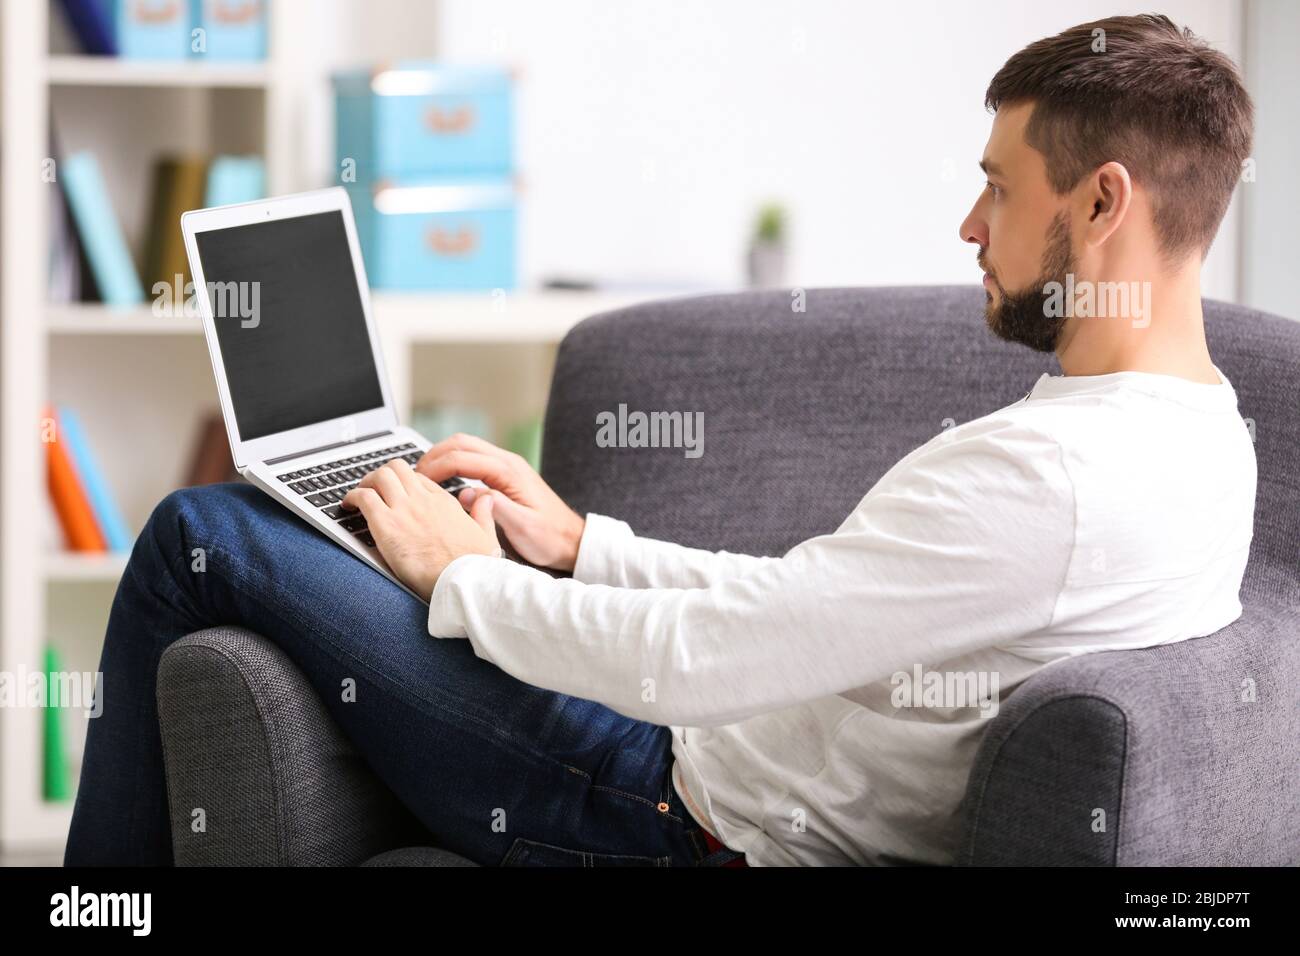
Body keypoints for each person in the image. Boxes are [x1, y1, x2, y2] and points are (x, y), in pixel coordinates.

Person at [66, 14, 1256, 866]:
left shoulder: (1050, 479)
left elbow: (718, 655)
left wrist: (466, 576)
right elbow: (807, 610)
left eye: (999, 187)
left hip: (662, 811)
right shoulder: (1205, 441)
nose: (967, 223)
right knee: (337, 520)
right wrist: (582, 545)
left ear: (1102, 202)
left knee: (201, 532)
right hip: (697, 750)